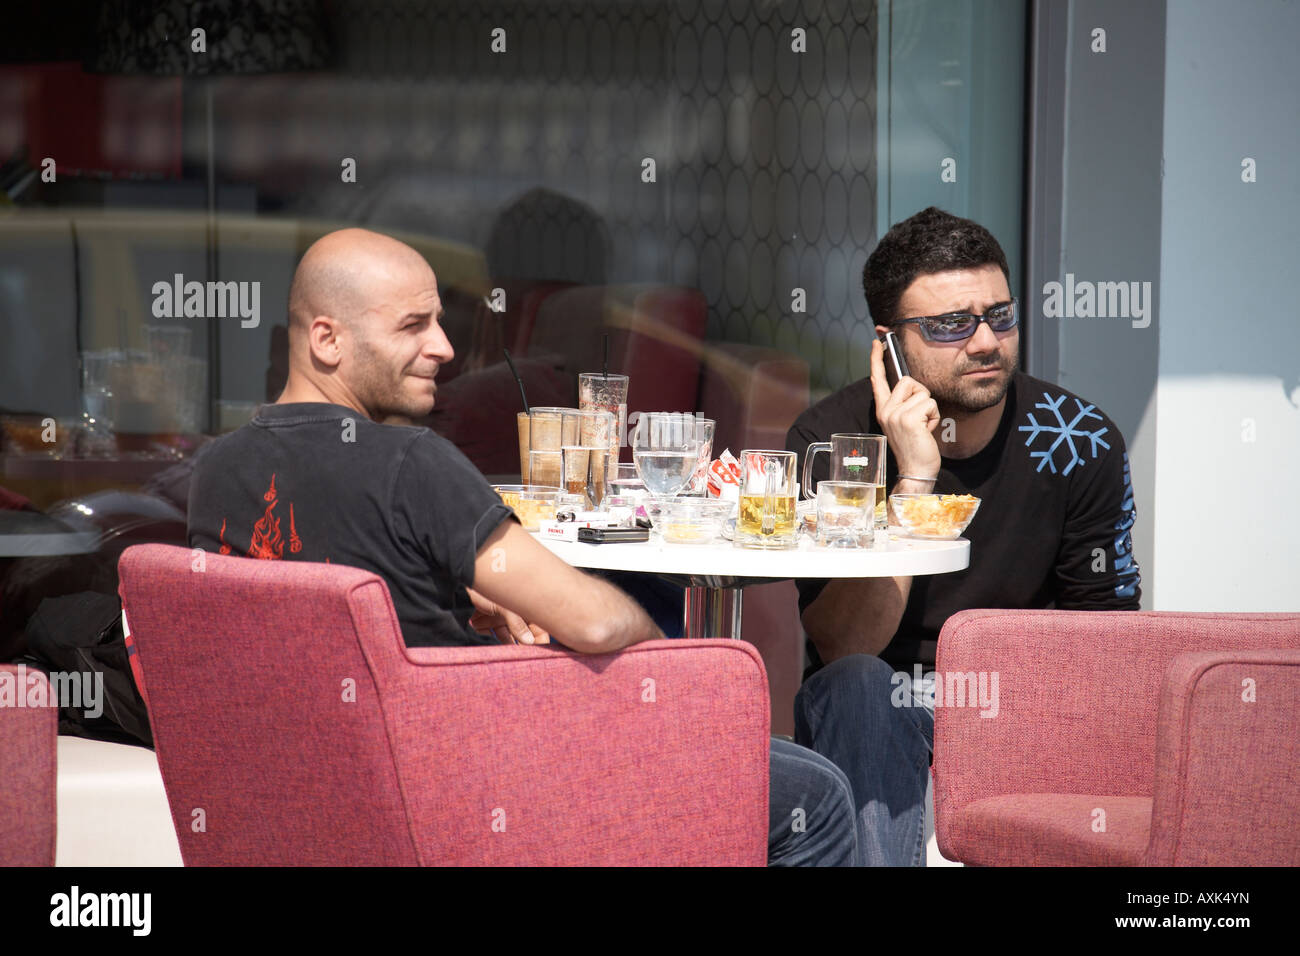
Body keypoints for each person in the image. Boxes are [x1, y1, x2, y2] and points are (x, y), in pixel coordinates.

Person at [187, 227, 860, 866]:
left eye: (439, 321)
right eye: (413, 326)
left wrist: (455, 584)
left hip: (326, 790)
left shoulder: (216, 473)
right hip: (475, 784)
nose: (446, 348)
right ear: (328, 340)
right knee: (816, 793)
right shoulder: (411, 463)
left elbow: (339, 577)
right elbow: (592, 622)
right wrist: (676, 669)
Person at [786, 207, 1141, 866]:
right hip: (880, 705)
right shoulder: (833, 443)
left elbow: (1109, 643)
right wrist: (916, 483)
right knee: (859, 683)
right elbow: (844, 645)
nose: (985, 342)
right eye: (952, 324)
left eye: (999, 316)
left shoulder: (1079, 440)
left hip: (1018, 704)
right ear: (889, 346)